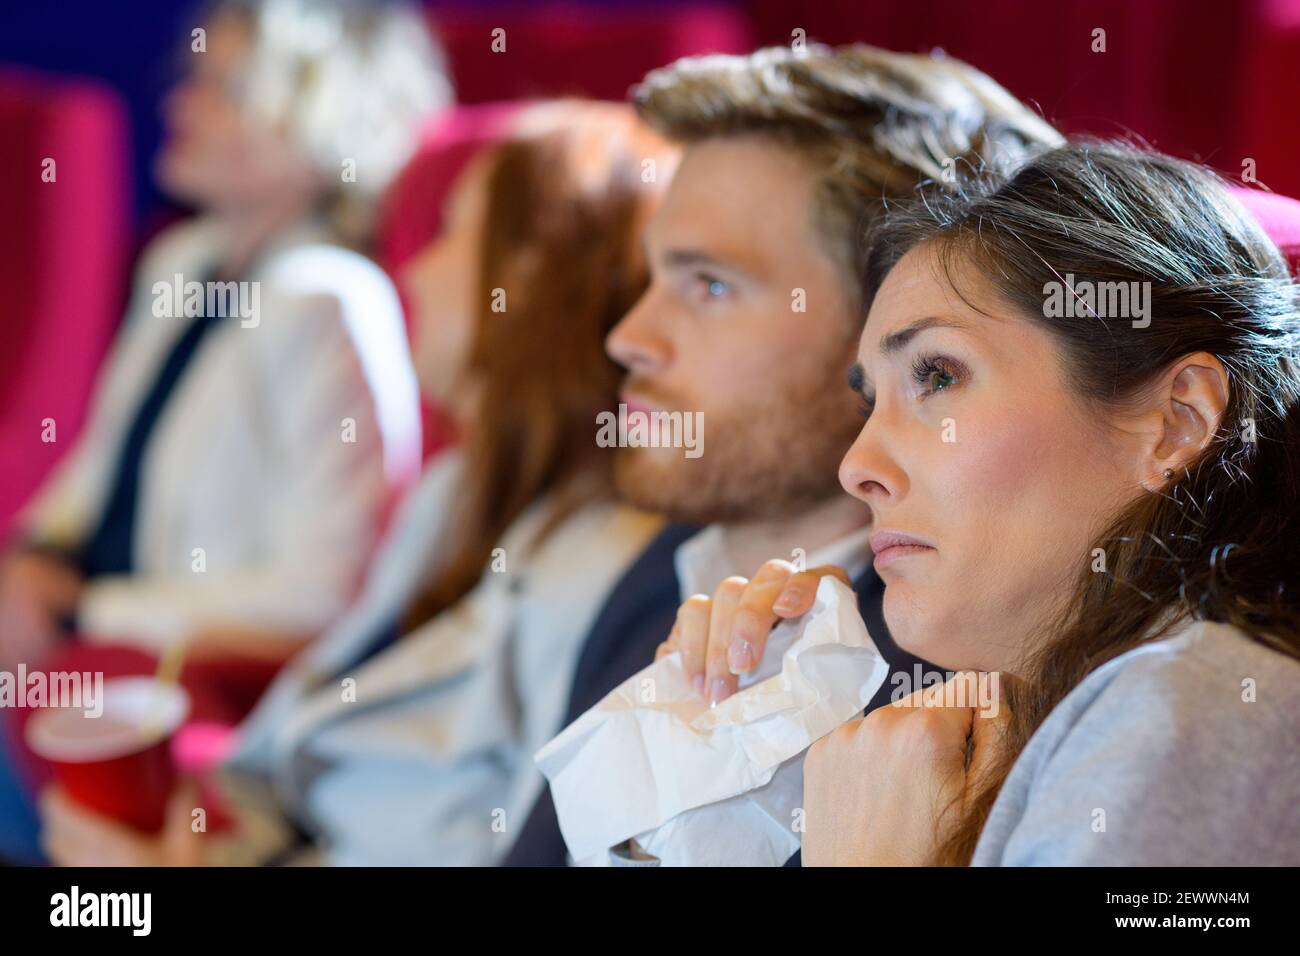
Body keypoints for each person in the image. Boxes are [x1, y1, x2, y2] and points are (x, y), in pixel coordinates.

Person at [38, 100, 677, 867]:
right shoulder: (452, 493)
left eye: (450, 233)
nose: (411, 266)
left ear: (531, 278)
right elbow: (305, 741)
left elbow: (491, 846)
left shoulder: (601, 570)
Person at [504, 43, 1064, 865]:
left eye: (712, 285)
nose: (629, 339)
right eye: (653, 280)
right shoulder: (678, 560)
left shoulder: (952, 693)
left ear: (887, 329)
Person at [672, 141, 1300, 865]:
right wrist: (731, 759)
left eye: (936, 377)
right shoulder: (1052, 714)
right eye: (870, 403)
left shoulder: (1194, 713)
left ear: (1177, 421)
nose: (857, 468)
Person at [0, 0, 447, 864]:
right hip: (92, 655)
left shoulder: (330, 299)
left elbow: (327, 593)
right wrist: (32, 553)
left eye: (221, 87)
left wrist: (85, 609)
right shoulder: (185, 260)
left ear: (317, 123)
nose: (179, 106)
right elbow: (95, 470)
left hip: (197, 691)